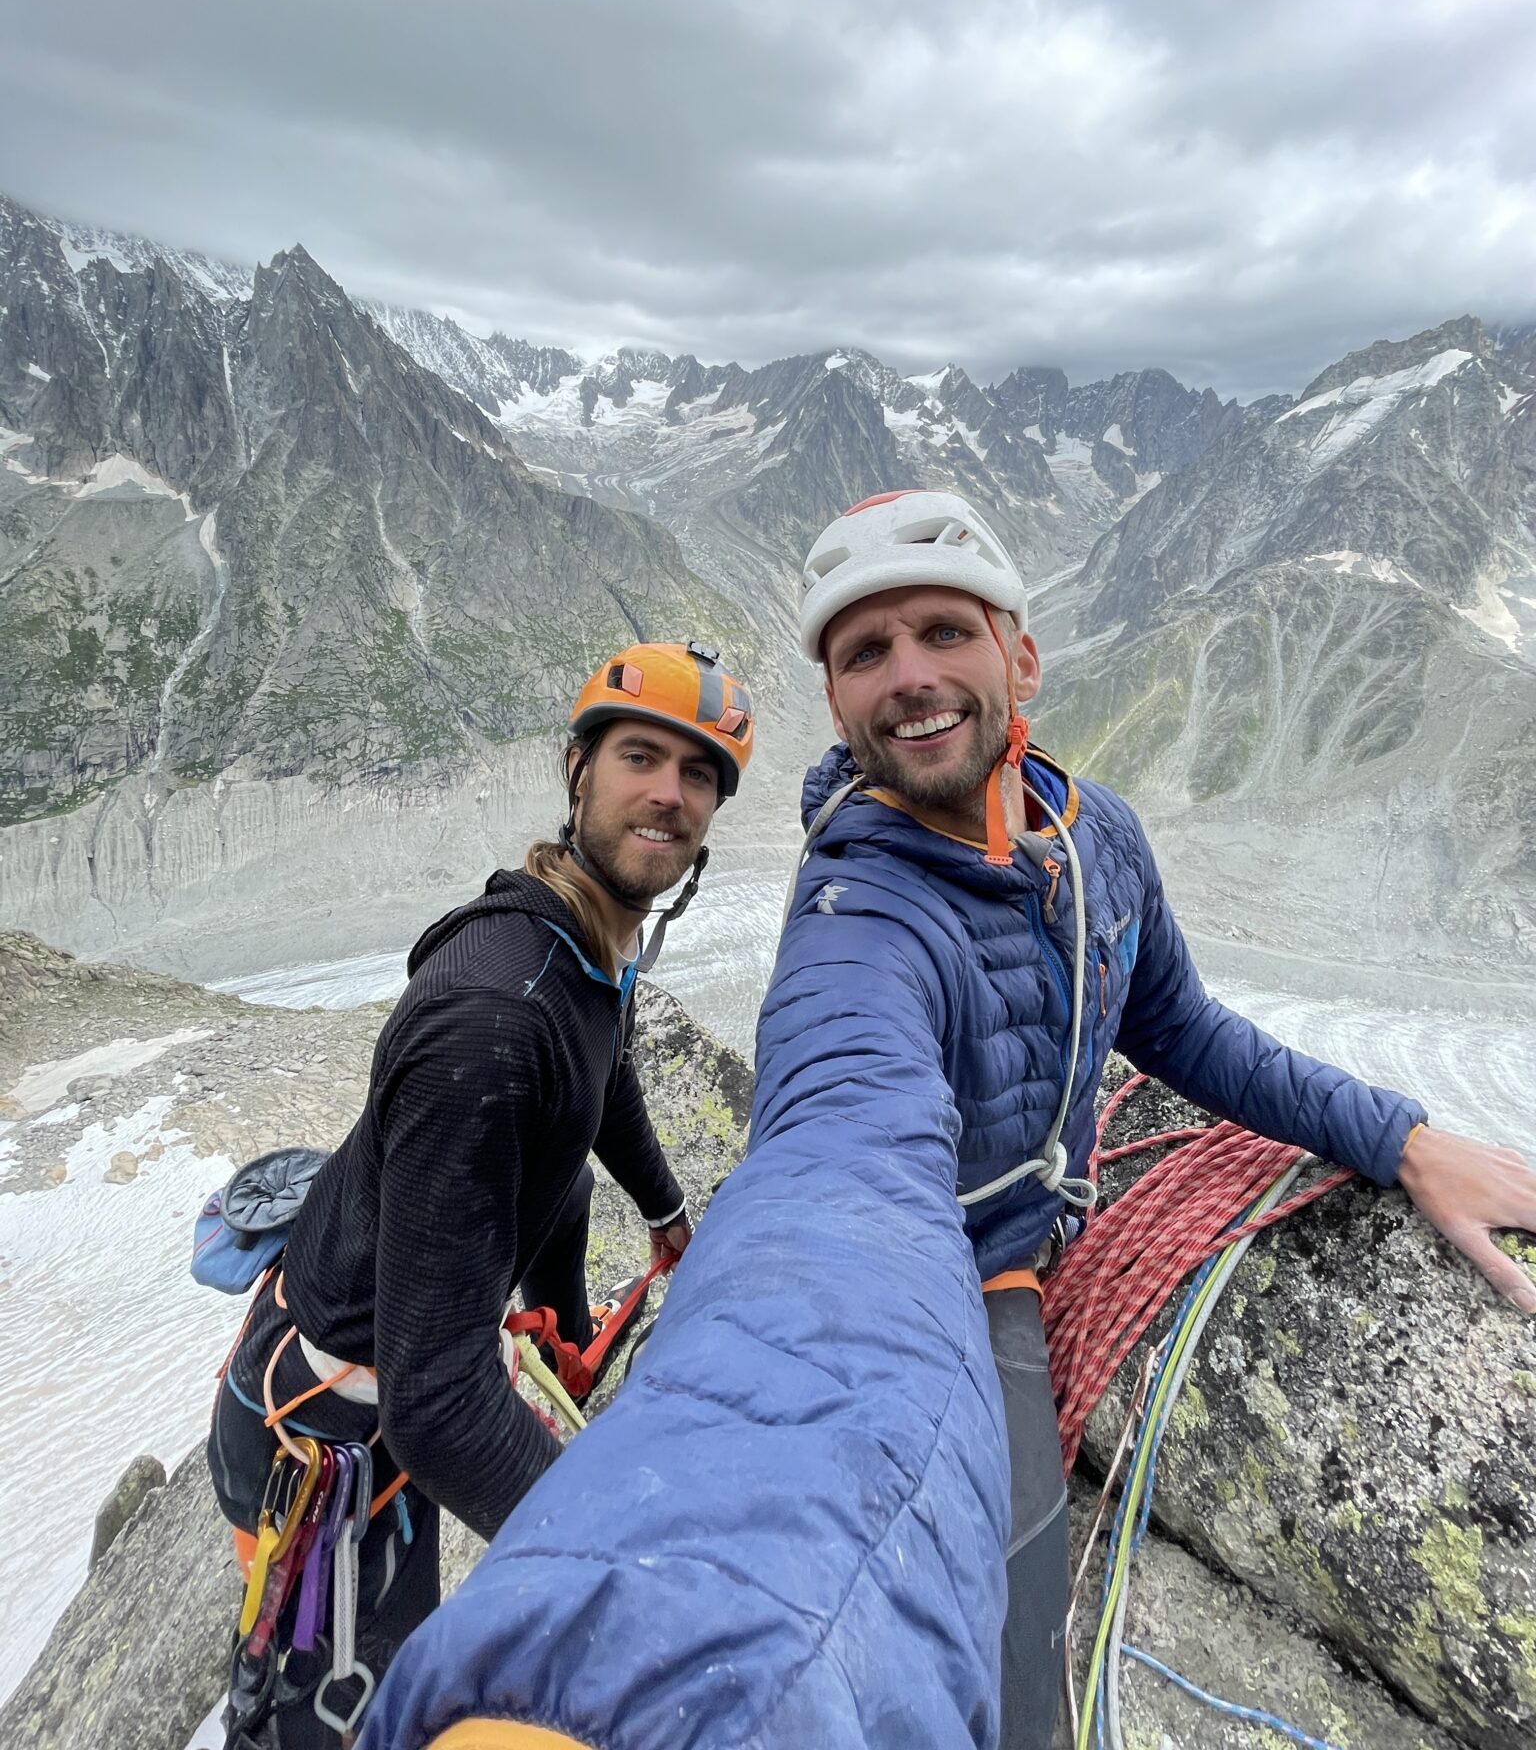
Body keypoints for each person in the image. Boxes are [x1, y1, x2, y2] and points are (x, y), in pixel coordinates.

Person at [765, 487, 1536, 1748]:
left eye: (943, 631)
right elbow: (832, 1135)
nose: (911, 675)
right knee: (1014, 1619)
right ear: (840, 703)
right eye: (866, 651)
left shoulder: (1096, 835)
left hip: (1036, 1225)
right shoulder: (859, 921)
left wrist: (1402, 1138)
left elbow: (1182, 1032)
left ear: (1020, 652)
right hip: (951, 1285)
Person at [207, 638, 754, 1749]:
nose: (670, 792)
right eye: (642, 756)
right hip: (323, 1442)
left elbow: (602, 1073)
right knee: (344, 1716)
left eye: (698, 773)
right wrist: (609, 1558)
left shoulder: (588, 936)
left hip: (369, 1404)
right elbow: (441, 1400)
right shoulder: (496, 1018)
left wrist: (661, 1214)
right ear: (578, 769)